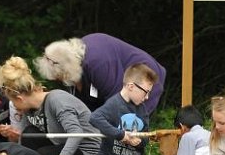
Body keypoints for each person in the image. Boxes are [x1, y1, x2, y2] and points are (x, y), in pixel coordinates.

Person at [0, 56, 100, 155]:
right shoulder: (29, 109)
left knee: (44, 154)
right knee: (29, 135)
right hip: (62, 146)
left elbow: (76, 133)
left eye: (14, 102)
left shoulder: (57, 100)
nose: (14, 107)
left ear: (20, 99)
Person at [33, 33, 166, 113]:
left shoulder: (98, 63)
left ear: (66, 69)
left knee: (125, 129)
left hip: (144, 80)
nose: (60, 81)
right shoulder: (78, 59)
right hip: (117, 86)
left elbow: (118, 101)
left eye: (59, 77)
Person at [89, 63, 159, 155]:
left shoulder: (142, 109)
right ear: (131, 86)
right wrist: (121, 135)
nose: (147, 97)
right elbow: (95, 118)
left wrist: (140, 142)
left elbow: (145, 135)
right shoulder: (114, 104)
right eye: (145, 92)